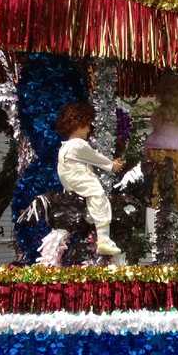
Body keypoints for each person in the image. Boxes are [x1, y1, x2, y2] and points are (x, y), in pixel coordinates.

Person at [54, 102, 124, 257]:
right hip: (79, 177)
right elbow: (95, 157)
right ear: (78, 124)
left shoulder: (65, 146)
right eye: (86, 125)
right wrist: (112, 166)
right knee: (98, 195)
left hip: (68, 182)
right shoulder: (78, 144)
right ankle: (104, 239)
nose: (88, 130)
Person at [144, 76, 178, 211]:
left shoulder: (160, 113)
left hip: (155, 145)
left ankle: (154, 199)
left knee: (154, 179)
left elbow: (156, 125)